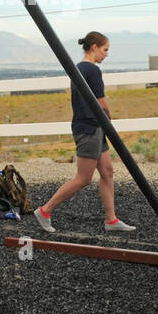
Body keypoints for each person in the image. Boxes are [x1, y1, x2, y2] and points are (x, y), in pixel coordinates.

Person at [33, 32, 135, 234]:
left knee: (107, 172)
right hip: (90, 128)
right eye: (105, 50)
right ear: (94, 47)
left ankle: (111, 220)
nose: (106, 55)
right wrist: (109, 118)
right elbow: (101, 102)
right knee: (83, 178)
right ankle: (45, 210)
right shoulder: (92, 70)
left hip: (90, 126)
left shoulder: (78, 68)